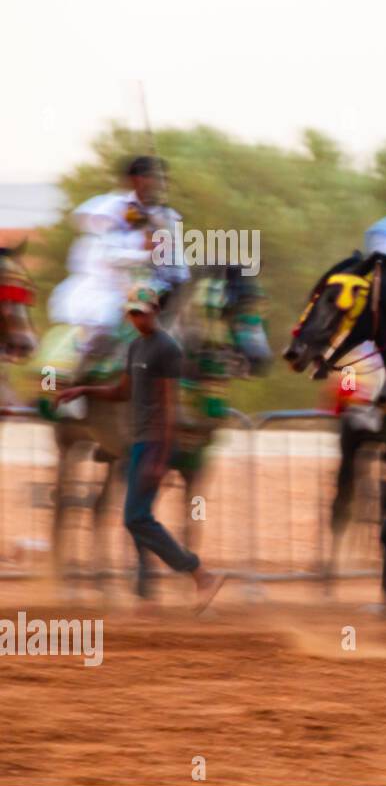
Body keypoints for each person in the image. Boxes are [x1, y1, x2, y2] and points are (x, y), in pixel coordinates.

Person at [54, 286, 224, 612]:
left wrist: (160, 457)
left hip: (155, 443)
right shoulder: (135, 348)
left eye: (142, 312)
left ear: (155, 311)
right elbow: (122, 391)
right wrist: (82, 389)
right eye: (132, 312)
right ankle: (166, 582)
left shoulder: (167, 349)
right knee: (137, 518)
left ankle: (198, 573)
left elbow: (169, 405)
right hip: (138, 442)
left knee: (136, 518)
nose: (137, 317)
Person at [48, 156, 189, 381]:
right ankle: (70, 380)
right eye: (157, 178)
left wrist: (180, 281)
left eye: (165, 179)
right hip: (107, 284)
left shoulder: (168, 217)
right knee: (107, 321)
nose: (163, 185)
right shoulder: (110, 209)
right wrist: (146, 253)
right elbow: (107, 254)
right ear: (138, 180)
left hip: (156, 286)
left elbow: (178, 261)